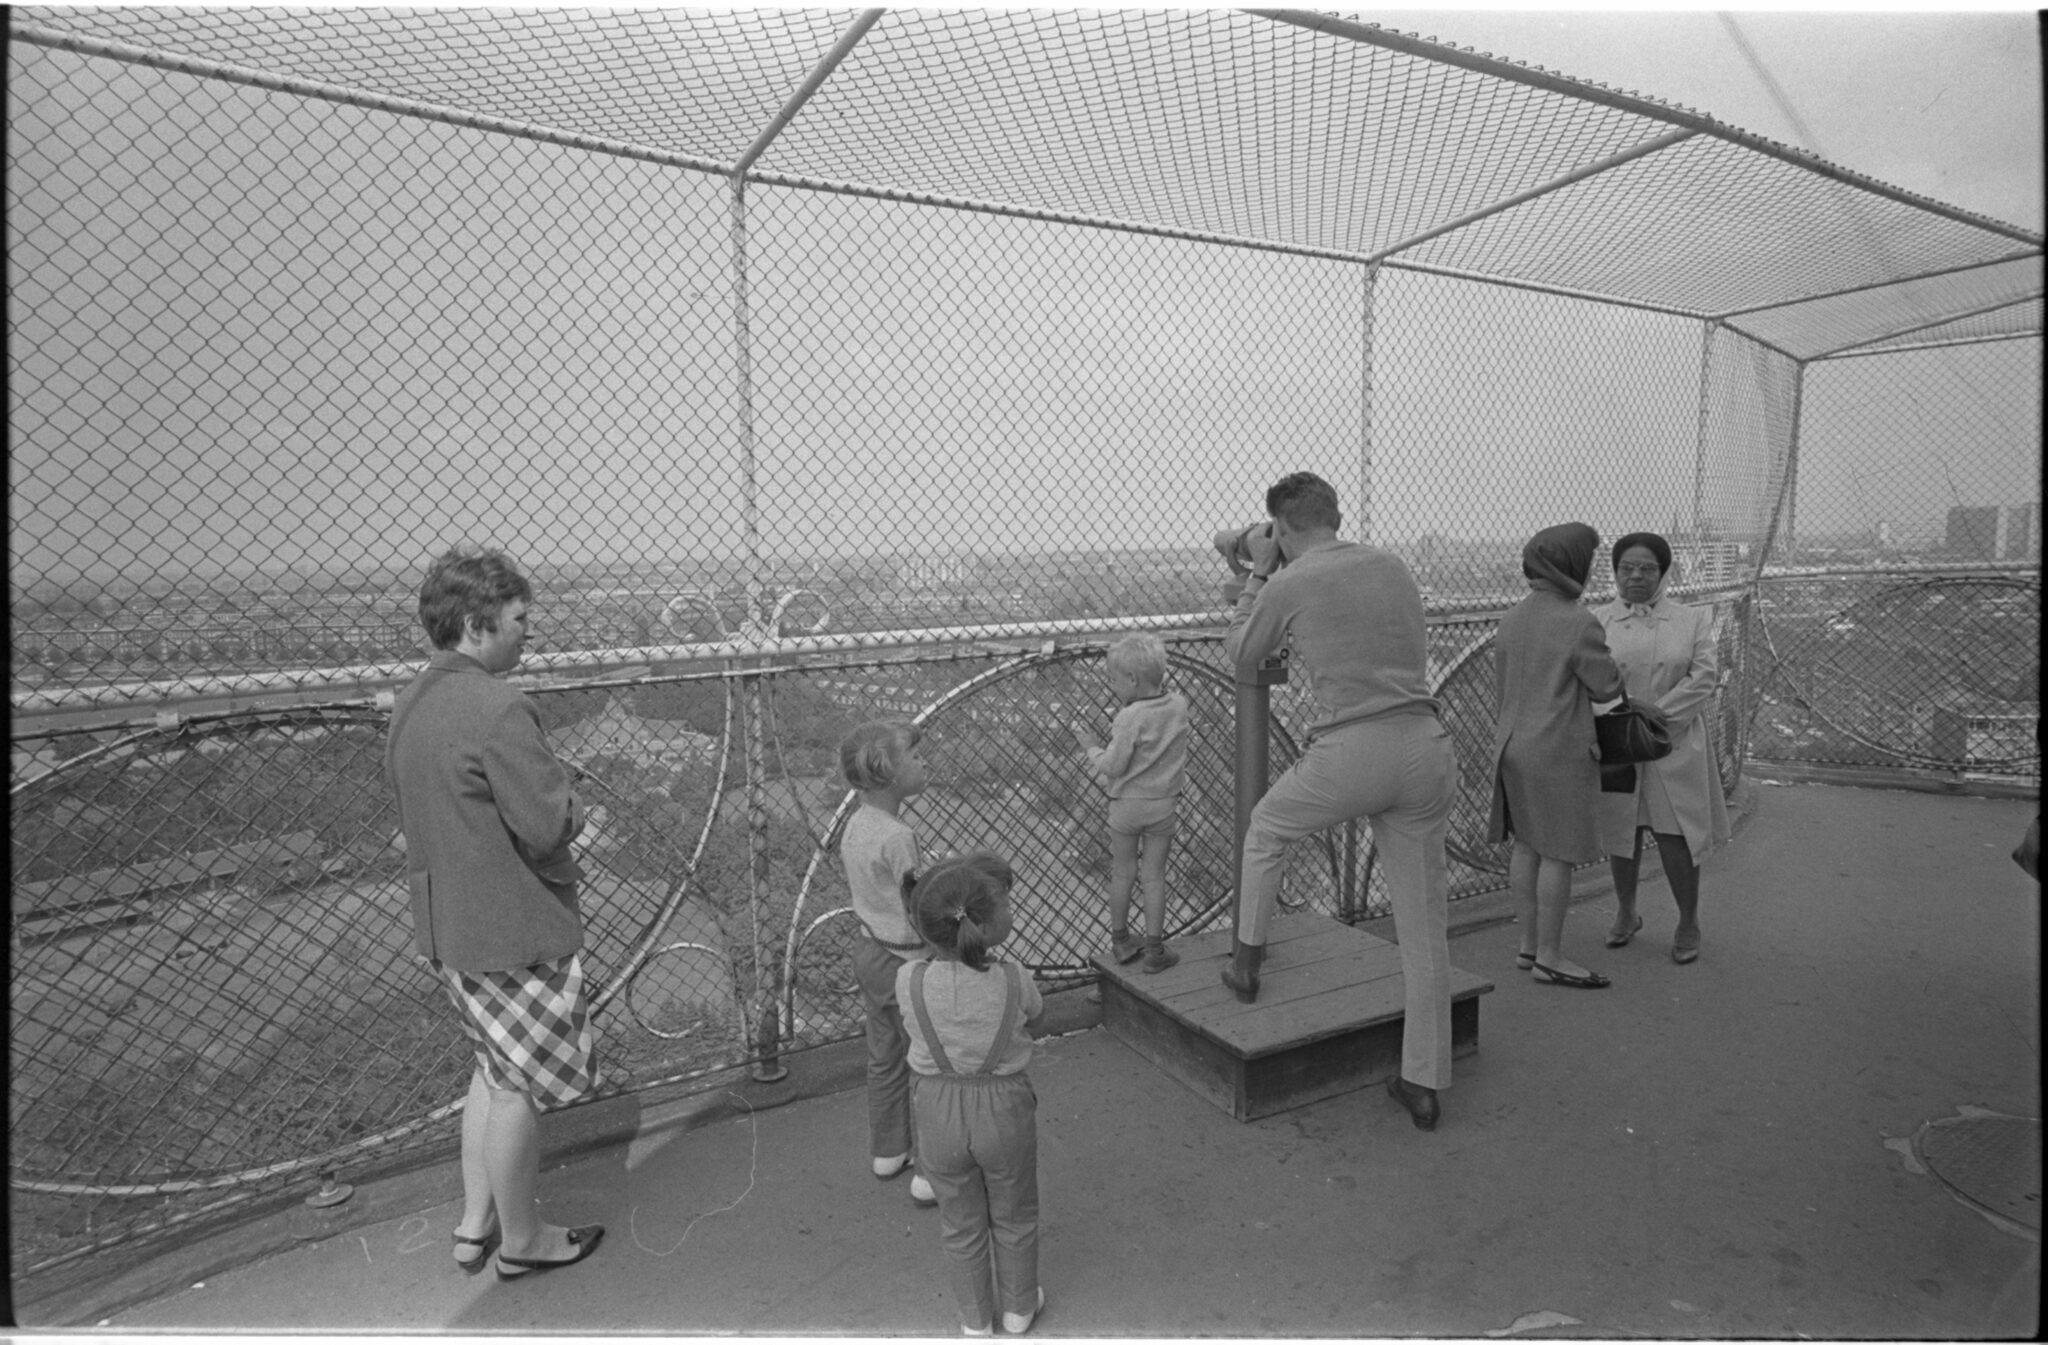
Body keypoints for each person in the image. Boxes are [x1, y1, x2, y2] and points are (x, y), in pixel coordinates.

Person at [383, 545, 605, 1280]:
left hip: (450, 922)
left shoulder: (414, 697)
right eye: (519, 617)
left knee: (490, 1067)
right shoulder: (499, 707)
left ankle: (474, 1221)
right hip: (510, 928)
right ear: (480, 622)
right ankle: (524, 1238)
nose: (527, 630)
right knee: (518, 1087)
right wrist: (573, 799)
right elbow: (545, 824)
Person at [1223, 471, 1458, 1132]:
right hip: (1426, 744)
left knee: (1267, 827)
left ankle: (1246, 962)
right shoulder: (1393, 565)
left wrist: (1256, 576)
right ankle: (1424, 1080)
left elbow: (1244, 651)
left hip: (1354, 748)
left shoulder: (1291, 579)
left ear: (1284, 528)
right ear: (1332, 514)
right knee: (1423, 931)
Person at [1487, 522, 1664, 990]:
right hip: (1557, 750)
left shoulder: (1513, 616)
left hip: (1512, 746)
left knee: (1525, 846)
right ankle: (1550, 957)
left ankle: (1528, 945)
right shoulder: (1578, 620)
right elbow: (1605, 684)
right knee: (1558, 854)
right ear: (1574, 566)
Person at [898, 851, 1046, 1337]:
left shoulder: (910, 980)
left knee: (959, 1223)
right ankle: (1019, 1308)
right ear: (986, 923)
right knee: (1015, 1211)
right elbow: (1037, 1016)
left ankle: (976, 1321)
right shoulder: (1013, 978)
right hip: (1003, 1108)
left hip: (937, 1111)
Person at [1593, 532, 1731, 965]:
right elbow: (1589, 679)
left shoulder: (1692, 619)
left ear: (1664, 572)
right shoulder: (1597, 622)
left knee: (1675, 834)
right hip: (1618, 742)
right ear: (1614, 572)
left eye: (1647, 568)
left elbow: (1703, 677)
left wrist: (1657, 714)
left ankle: (1688, 920)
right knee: (1623, 831)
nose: (1636, 576)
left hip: (1673, 742)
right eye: (1626, 568)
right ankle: (1626, 911)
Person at [838, 719, 938, 1206]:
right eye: (913, 758)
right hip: (906, 962)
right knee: (926, 1060)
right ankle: (931, 1168)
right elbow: (918, 907)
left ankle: (888, 1148)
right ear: (889, 774)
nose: (923, 763)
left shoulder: (856, 824)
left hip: (869, 951)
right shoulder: (900, 835)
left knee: (884, 1058)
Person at [1073, 632, 1189, 974]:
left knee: (1123, 872)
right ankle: (1155, 951)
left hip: (1126, 807)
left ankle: (1121, 941)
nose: (1113, 686)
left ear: (1132, 679)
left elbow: (1114, 765)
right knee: (1154, 876)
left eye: (1114, 679)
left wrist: (1091, 746)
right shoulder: (1178, 705)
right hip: (1163, 805)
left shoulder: (1129, 717)